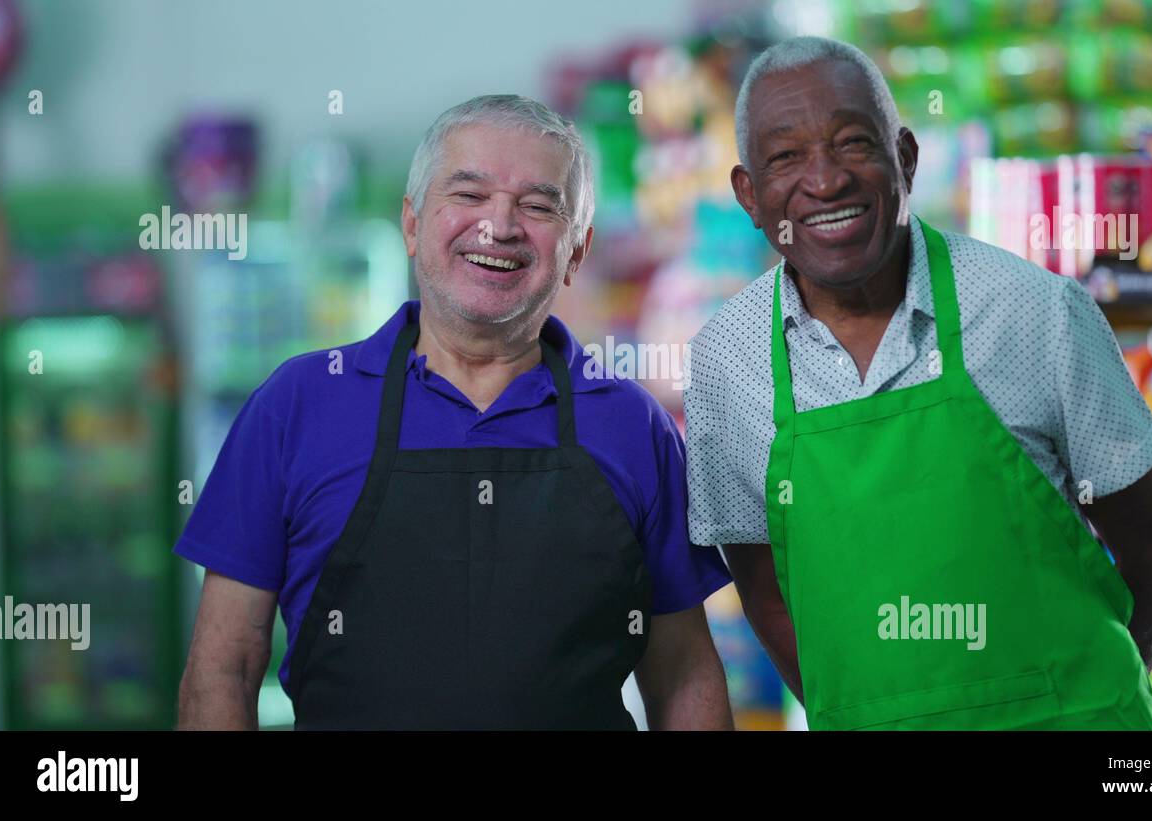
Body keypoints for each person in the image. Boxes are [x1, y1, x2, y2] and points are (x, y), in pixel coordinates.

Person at [684, 37, 1152, 730]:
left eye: (853, 143)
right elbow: (767, 594)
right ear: (749, 194)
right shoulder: (727, 362)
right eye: (786, 157)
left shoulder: (1033, 311)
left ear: (906, 157)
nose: (826, 181)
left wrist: (1089, 699)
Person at [176, 94, 734, 730]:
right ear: (412, 225)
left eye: (538, 205)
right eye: (469, 195)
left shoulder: (631, 424)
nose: (500, 226)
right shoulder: (296, 406)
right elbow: (223, 667)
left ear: (576, 252)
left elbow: (683, 673)